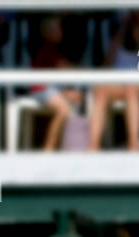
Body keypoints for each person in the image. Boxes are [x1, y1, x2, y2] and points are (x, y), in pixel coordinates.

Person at [88, 11, 139, 150]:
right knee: (100, 90)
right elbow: (108, 64)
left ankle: (133, 145)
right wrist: (123, 36)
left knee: (131, 89)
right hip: (116, 81)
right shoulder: (120, 36)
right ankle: (93, 146)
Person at [28, 15, 85, 152]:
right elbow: (65, 68)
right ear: (46, 33)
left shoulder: (56, 49)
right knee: (63, 110)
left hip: (52, 88)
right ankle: (49, 149)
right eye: (56, 29)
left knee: (77, 98)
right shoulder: (46, 50)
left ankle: (69, 146)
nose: (60, 32)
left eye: (60, 28)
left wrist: (65, 92)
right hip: (41, 88)